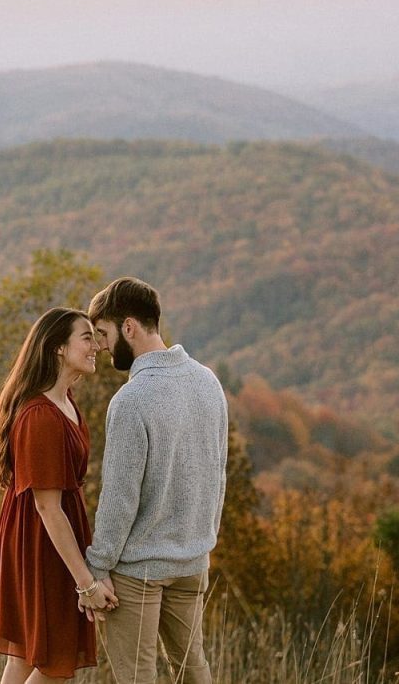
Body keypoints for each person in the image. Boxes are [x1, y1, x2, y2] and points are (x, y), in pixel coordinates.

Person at [83, 277, 228, 684]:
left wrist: (98, 567)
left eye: (104, 334)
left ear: (128, 327)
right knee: (193, 669)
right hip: (193, 559)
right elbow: (218, 471)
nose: (102, 346)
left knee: (137, 676)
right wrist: (204, 539)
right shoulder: (208, 382)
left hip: (139, 569)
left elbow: (120, 497)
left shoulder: (131, 400)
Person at [0, 307, 119, 683]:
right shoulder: (40, 416)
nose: (97, 346)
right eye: (87, 337)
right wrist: (86, 582)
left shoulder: (66, 402)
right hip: (41, 543)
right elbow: (47, 507)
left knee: (27, 658)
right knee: (56, 663)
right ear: (59, 347)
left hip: (51, 537)